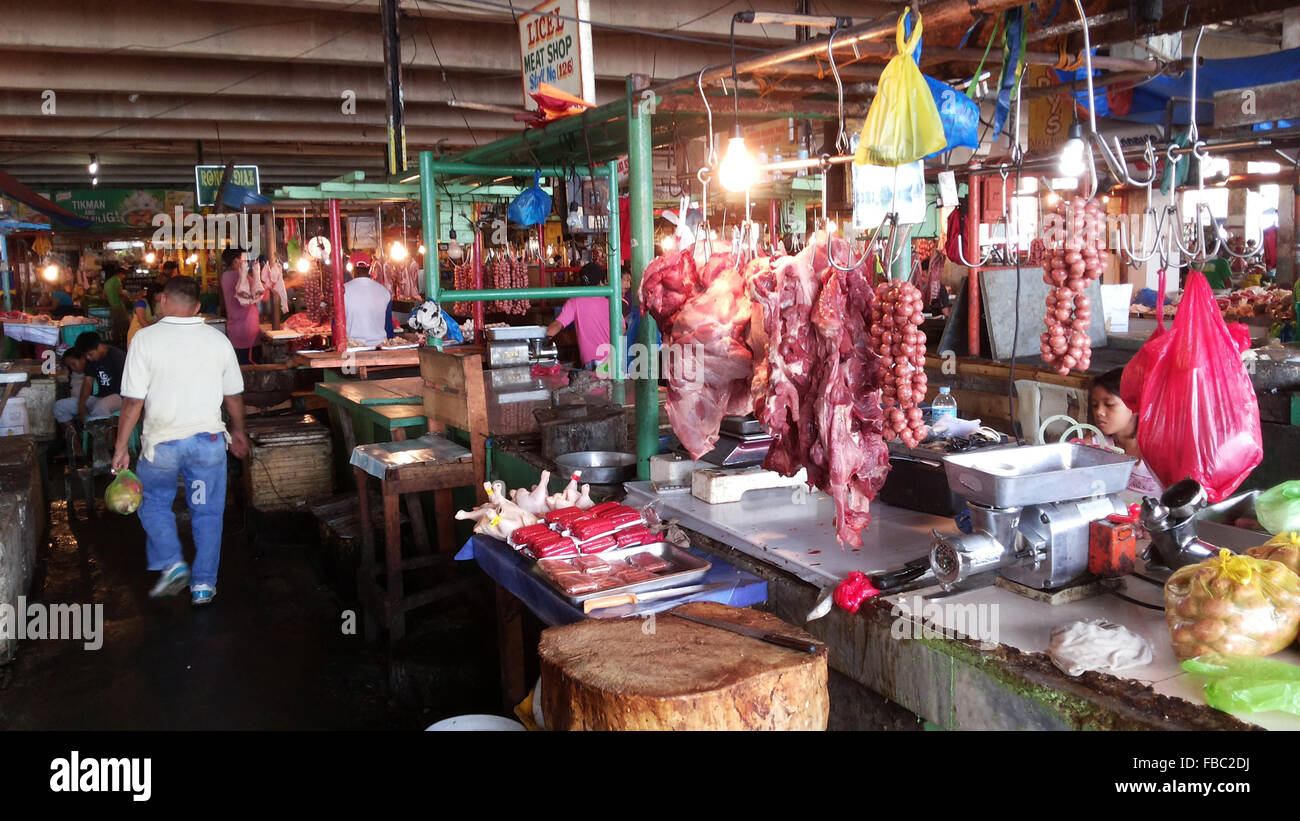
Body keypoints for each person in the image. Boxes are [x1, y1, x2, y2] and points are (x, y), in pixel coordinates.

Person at [112, 276, 248, 606]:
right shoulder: (217, 341)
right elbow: (233, 395)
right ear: (198, 307)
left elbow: (133, 402)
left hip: (161, 446)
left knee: (154, 503)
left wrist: (120, 448)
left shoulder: (145, 340)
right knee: (207, 513)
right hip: (208, 442)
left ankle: (173, 561)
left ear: (162, 301)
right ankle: (203, 586)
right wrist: (239, 432)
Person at [546, 250, 626, 372]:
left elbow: (557, 325)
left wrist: (540, 342)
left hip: (592, 362)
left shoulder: (575, 301)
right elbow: (622, 330)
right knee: (611, 389)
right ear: (601, 282)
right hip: (613, 359)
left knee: (595, 389)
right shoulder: (612, 301)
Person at [1087, 368, 1162, 495]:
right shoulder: (1094, 444)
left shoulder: (1160, 450)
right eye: (1095, 405)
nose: (1099, 412)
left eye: (1109, 404)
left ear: (1136, 405)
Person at [218, 248, 262, 364]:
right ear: (237, 260)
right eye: (244, 259)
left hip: (239, 332)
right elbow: (262, 294)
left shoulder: (228, 276)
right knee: (249, 370)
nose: (247, 261)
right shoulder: (236, 276)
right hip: (245, 333)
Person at [342, 252, 395, 346]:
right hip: (380, 347)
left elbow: (337, 325)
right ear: (369, 268)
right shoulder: (384, 291)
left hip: (353, 348)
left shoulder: (342, 291)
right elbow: (388, 327)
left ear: (351, 268)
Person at [72, 332, 125, 421]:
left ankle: (103, 435)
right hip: (101, 397)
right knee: (61, 407)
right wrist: (82, 404)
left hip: (121, 397)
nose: (88, 358)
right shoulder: (91, 360)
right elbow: (88, 382)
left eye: (90, 354)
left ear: (99, 346)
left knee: (100, 408)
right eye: (86, 356)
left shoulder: (118, 356)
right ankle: (77, 434)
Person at [52, 346, 89, 454]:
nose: (73, 368)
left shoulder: (91, 372)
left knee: (59, 407)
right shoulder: (73, 374)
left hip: (89, 402)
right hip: (77, 404)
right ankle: (76, 445)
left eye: (74, 364)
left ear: (83, 358)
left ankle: (77, 448)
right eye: (70, 366)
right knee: (60, 411)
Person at [102, 262, 129, 343]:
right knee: (124, 323)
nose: (124, 277)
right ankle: (125, 341)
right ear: (120, 274)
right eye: (124, 275)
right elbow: (120, 292)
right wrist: (127, 297)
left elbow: (103, 296)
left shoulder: (107, 282)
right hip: (118, 305)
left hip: (111, 307)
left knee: (115, 324)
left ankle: (116, 341)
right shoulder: (117, 280)